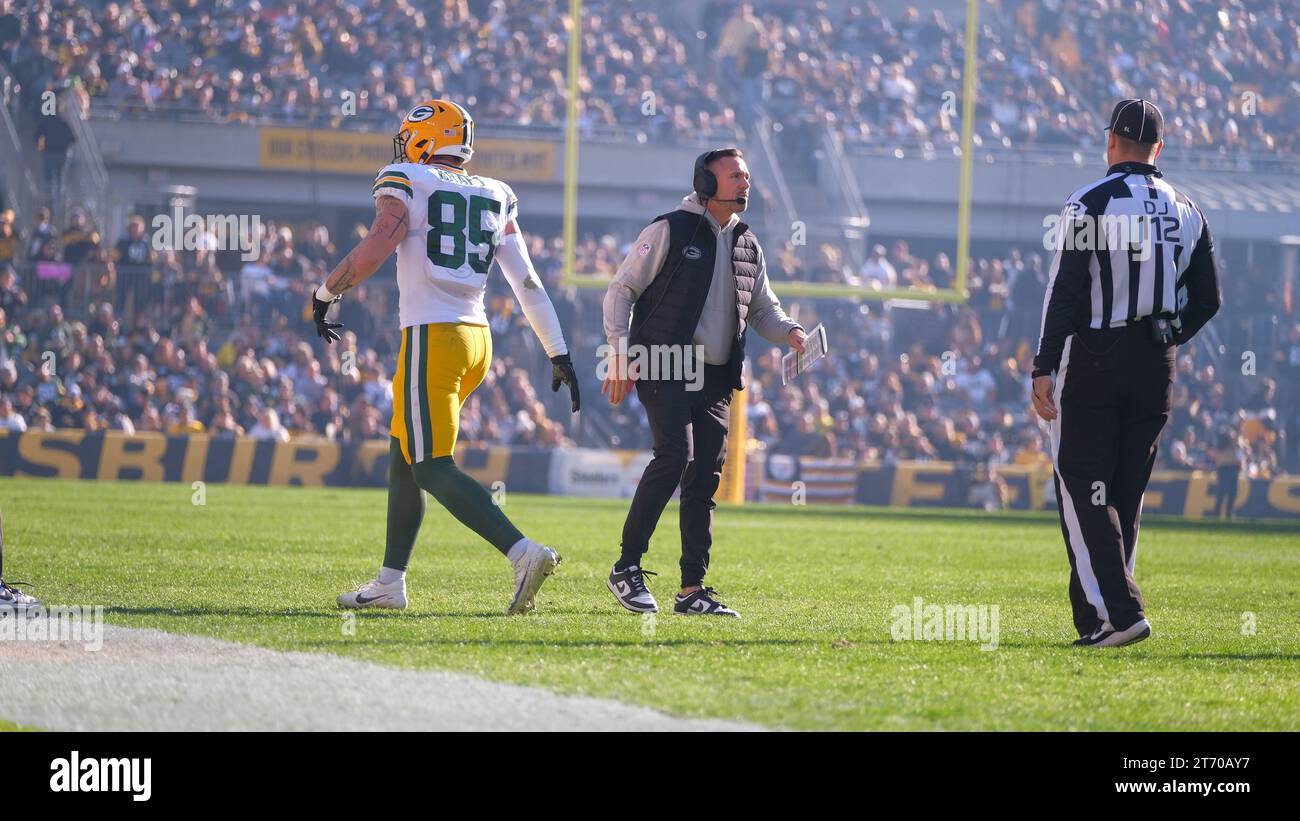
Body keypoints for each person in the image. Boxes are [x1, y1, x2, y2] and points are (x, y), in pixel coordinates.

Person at [314, 100, 580, 615]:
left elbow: (376, 245)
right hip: (476, 340)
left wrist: (326, 293)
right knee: (403, 458)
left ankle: (523, 552)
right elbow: (527, 283)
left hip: (433, 337)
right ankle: (390, 583)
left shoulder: (407, 178)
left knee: (432, 466)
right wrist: (558, 349)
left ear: (424, 140)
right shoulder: (498, 193)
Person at [1031, 100, 1221, 648]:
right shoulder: (1188, 208)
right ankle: (1096, 617)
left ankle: (1121, 611)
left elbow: (1064, 291)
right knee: (1123, 493)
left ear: (1111, 141)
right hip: (1155, 364)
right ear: (1158, 149)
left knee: (1080, 485)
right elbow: (1209, 299)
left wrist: (1044, 364)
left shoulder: (1089, 202)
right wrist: (1170, 334)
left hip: (1095, 355)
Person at [601, 148, 804, 618]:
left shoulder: (749, 243)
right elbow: (622, 289)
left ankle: (692, 589)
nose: (746, 183)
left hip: (715, 376)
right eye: (736, 176)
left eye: (748, 176)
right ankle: (626, 567)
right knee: (675, 455)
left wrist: (790, 331)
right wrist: (618, 352)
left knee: (705, 476)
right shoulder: (668, 228)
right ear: (706, 182)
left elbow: (762, 309)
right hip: (664, 361)